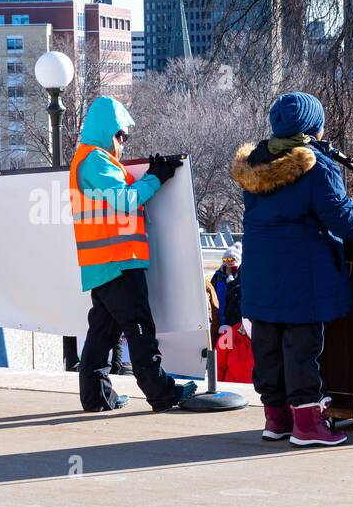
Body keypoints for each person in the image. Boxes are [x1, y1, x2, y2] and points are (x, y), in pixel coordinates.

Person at [230, 91, 353, 446]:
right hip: (300, 276)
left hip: (261, 274)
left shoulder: (254, 167)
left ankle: (276, 420)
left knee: (269, 347)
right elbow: (347, 224)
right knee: (300, 347)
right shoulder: (318, 168)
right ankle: (307, 426)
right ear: (311, 128)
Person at [69, 95, 195, 412]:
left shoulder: (94, 161)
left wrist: (150, 174)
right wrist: (157, 177)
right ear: (107, 131)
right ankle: (161, 392)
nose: (124, 142)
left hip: (106, 263)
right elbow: (125, 201)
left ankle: (96, 396)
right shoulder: (96, 161)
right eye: (121, 135)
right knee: (140, 329)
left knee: (102, 332)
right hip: (118, 262)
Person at [211, 244, 252, 384]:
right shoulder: (217, 278)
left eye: (232, 260)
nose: (229, 263)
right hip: (228, 326)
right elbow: (218, 367)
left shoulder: (272, 333)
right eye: (226, 260)